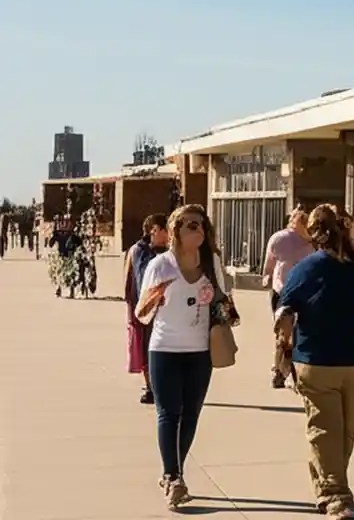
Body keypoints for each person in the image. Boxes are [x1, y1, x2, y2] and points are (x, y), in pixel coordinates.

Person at [278, 204, 354, 519]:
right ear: (347, 228)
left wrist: (281, 346)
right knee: (338, 430)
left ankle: (331, 486)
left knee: (330, 429)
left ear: (315, 233)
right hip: (347, 360)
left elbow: (284, 310)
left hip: (324, 358)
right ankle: (334, 494)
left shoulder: (306, 267)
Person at [134, 205, 237, 510]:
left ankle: (174, 473)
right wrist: (158, 295)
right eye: (192, 224)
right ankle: (173, 476)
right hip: (165, 349)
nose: (199, 230)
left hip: (200, 351)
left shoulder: (211, 262)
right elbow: (142, 313)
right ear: (176, 229)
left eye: (202, 225)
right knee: (168, 414)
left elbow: (225, 303)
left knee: (191, 414)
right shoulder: (160, 266)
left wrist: (223, 307)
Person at [261, 205, 311, 389]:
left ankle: (293, 371)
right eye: (299, 219)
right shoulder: (279, 239)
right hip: (282, 293)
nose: (302, 223)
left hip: (306, 294)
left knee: (299, 334)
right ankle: (279, 371)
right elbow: (269, 263)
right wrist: (266, 277)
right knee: (284, 334)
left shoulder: (313, 242)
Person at [124, 213, 169, 404]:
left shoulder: (161, 250)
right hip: (147, 309)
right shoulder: (141, 251)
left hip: (161, 309)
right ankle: (152, 388)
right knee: (149, 347)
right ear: (155, 230)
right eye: (166, 230)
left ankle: (158, 387)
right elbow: (144, 281)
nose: (169, 235)